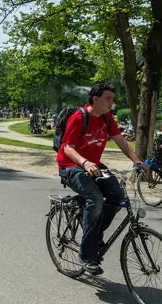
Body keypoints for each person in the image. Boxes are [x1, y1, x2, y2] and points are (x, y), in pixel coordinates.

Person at [56, 83, 149, 275]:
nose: (112, 102)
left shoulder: (107, 118)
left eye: (113, 99)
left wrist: (137, 161)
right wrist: (84, 162)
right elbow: (67, 147)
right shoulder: (79, 117)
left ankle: (94, 233)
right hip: (71, 166)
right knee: (95, 198)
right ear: (95, 99)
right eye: (108, 98)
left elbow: (121, 140)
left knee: (118, 196)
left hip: (94, 166)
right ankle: (87, 255)